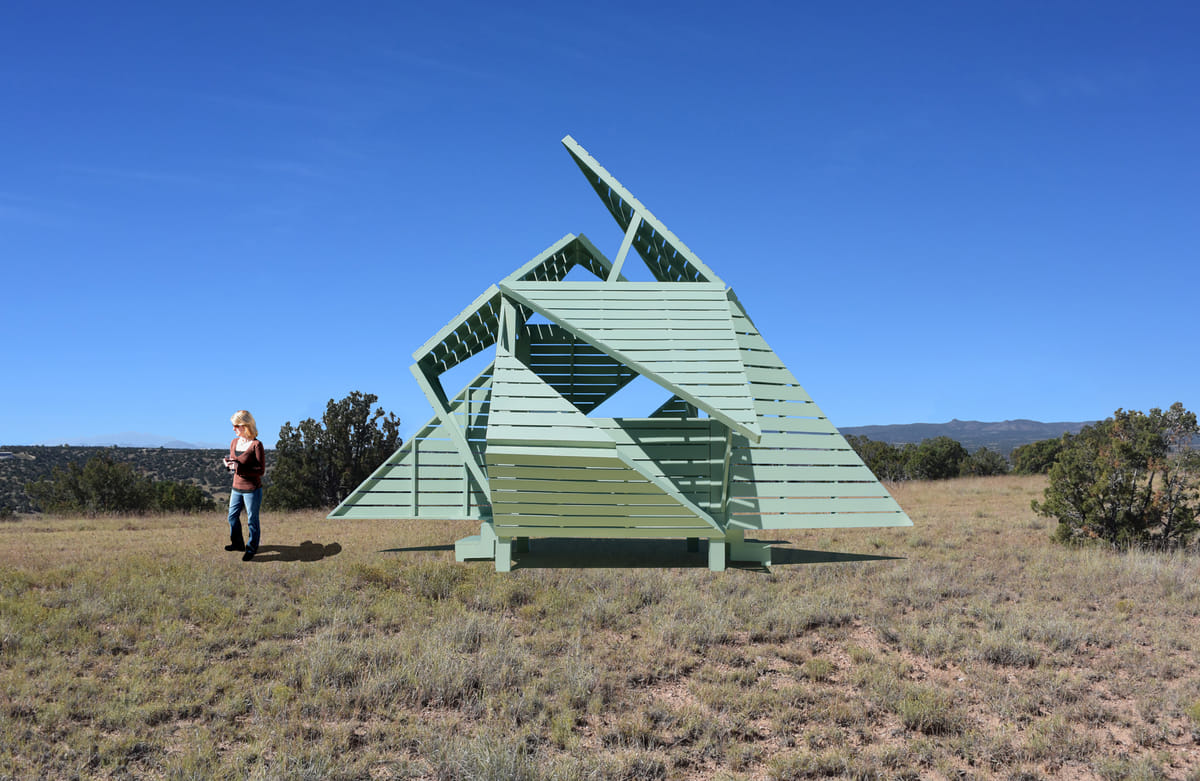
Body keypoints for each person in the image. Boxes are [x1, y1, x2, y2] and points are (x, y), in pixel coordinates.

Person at [224, 410, 265, 561]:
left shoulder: (256, 445)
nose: (233, 429)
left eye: (236, 425)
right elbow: (234, 467)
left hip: (252, 490)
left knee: (252, 520)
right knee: (232, 517)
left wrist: (239, 468)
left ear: (245, 426)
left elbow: (260, 470)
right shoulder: (234, 442)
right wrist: (229, 465)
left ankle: (251, 548)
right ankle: (237, 544)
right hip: (236, 488)